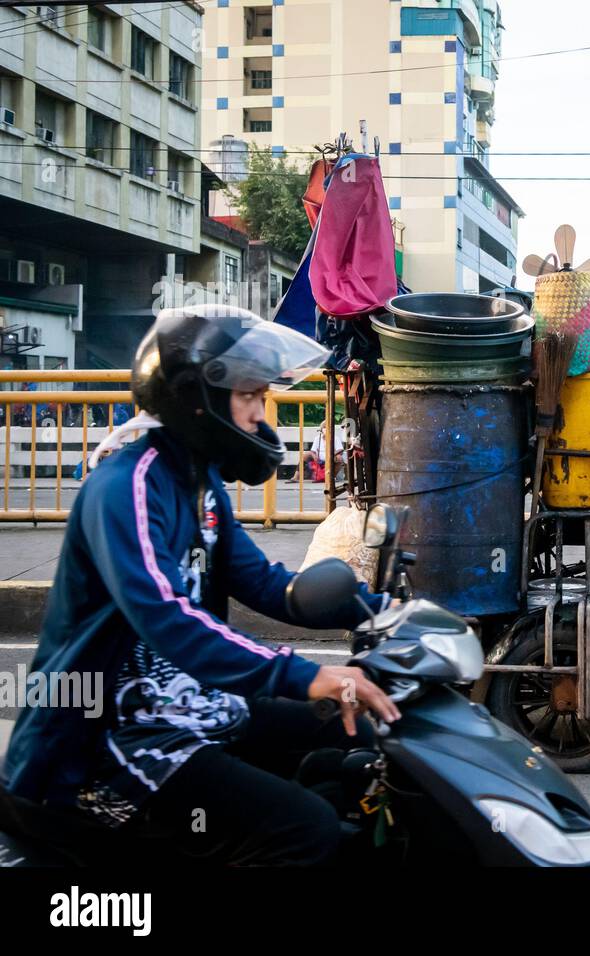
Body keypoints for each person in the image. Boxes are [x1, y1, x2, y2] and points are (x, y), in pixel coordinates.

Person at [1, 304, 400, 866]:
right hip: (106, 741)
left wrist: (382, 611)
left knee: (366, 738)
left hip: (187, 707)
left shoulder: (199, 480)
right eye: (250, 398)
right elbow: (167, 617)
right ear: (198, 397)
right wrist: (304, 674)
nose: (262, 418)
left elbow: (264, 583)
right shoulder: (128, 486)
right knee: (301, 829)